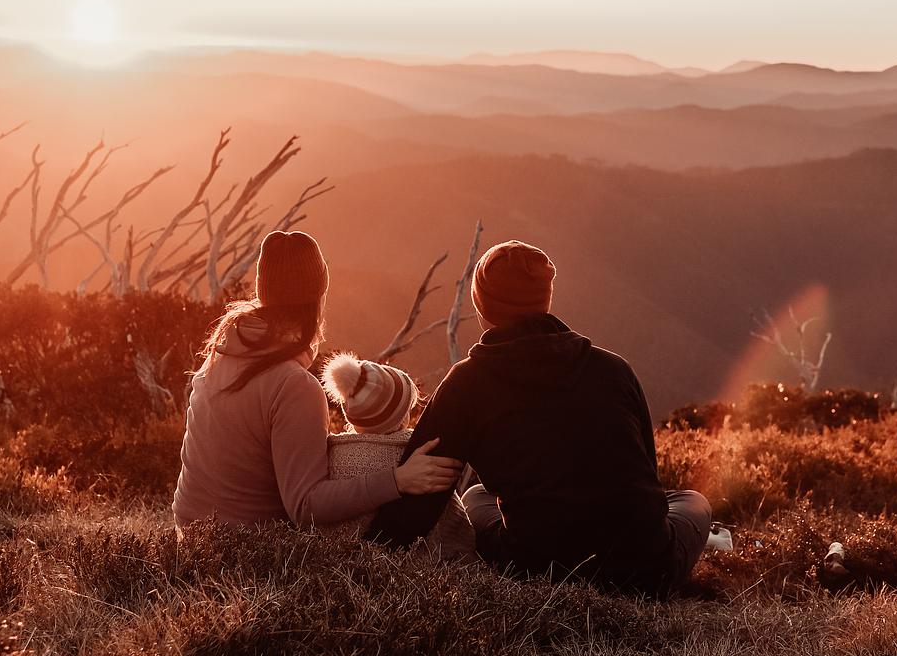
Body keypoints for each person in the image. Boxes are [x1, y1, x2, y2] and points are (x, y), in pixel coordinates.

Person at [366, 240, 712, 599]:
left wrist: (372, 551)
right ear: (545, 299)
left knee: (474, 500)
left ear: (481, 305)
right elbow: (645, 478)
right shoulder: (614, 370)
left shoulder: (467, 384)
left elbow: (425, 487)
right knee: (691, 500)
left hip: (538, 568)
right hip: (646, 570)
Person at [171, 230, 462, 534]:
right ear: (318, 298)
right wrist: (398, 479)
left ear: (263, 292)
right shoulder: (294, 385)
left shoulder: (222, 353)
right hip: (247, 550)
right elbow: (306, 506)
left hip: (189, 535)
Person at [318, 352, 476, 559]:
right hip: (413, 569)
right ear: (401, 415)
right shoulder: (416, 455)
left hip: (334, 562)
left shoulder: (331, 453)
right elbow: (453, 525)